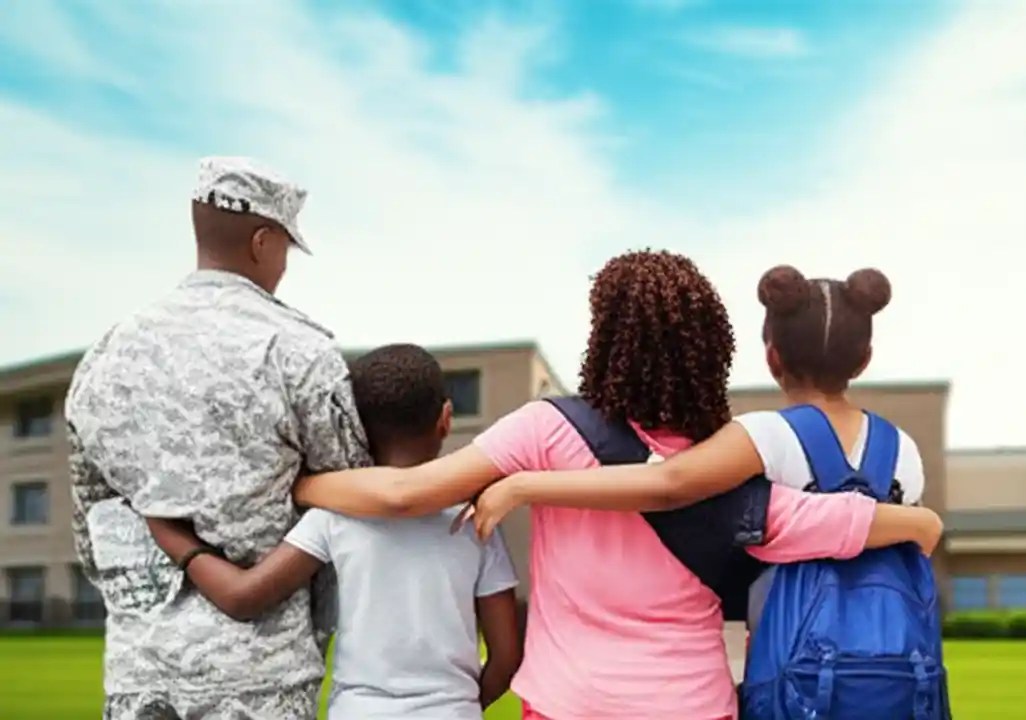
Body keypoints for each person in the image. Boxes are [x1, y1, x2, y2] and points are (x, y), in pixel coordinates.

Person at [292, 250, 943, 720]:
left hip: (567, 704)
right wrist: (917, 524)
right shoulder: (733, 462)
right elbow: (830, 522)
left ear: (604, 338)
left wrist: (303, 488)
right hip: (690, 704)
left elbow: (406, 495)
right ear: (712, 348)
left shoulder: (543, 432)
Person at [66, 157, 370, 719]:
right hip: (261, 677)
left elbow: (94, 528)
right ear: (262, 241)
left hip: (141, 674)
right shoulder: (299, 352)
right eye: (284, 246)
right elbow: (352, 503)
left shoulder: (106, 356)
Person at [466, 265, 927, 628]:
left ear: (773, 356)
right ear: (864, 360)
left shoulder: (763, 434)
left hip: (794, 652)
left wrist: (527, 486)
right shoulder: (903, 449)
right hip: (892, 648)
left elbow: (668, 483)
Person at [142, 345, 522, 719]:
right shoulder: (477, 519)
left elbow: (243, 597)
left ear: (355, 428)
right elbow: (506, 657)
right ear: (446, 418)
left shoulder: (335, 516)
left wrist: (170, 534)